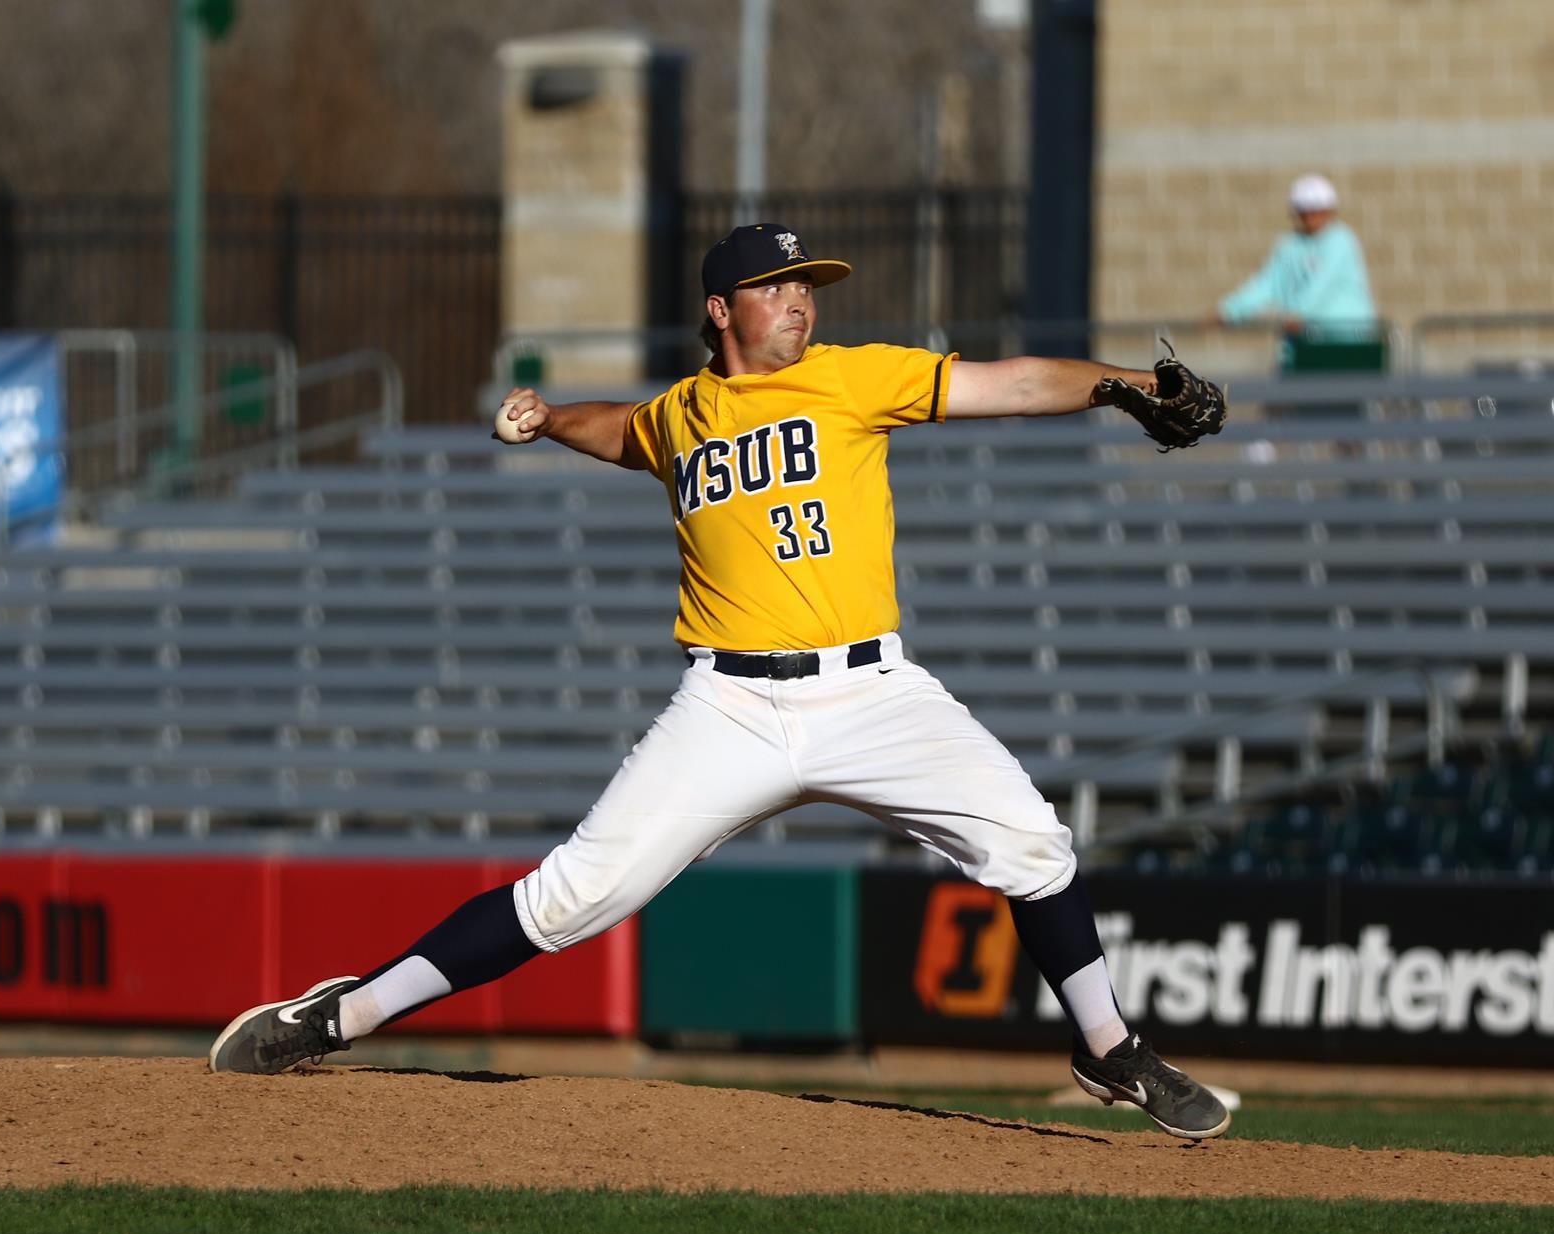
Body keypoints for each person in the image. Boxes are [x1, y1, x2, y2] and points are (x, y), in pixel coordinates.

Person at [210, 223, 1233, 1139]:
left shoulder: (849, 377)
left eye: (805, 286)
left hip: (871, 691)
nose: (799, 300)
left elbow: (1006, 383)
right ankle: (340, 1014)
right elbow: (619, 430)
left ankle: (1104, 1045)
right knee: (569, 897)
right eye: (777, 287)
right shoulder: (679, 417)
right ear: (721, 309)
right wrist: (549, 414)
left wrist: (1123, 386)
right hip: (728, 705)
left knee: (1033, 844)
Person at [1212, 173, 1378, 358]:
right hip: (1303, 343)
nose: (1311, 216)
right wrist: (1229, 311)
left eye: (1317, 209)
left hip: (1347, 341)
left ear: (1330, 210)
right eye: (1304, 210)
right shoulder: (1289, 245)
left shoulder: (1341, 240)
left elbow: (1321, 283)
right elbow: (1266, 284)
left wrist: (1299, 315)